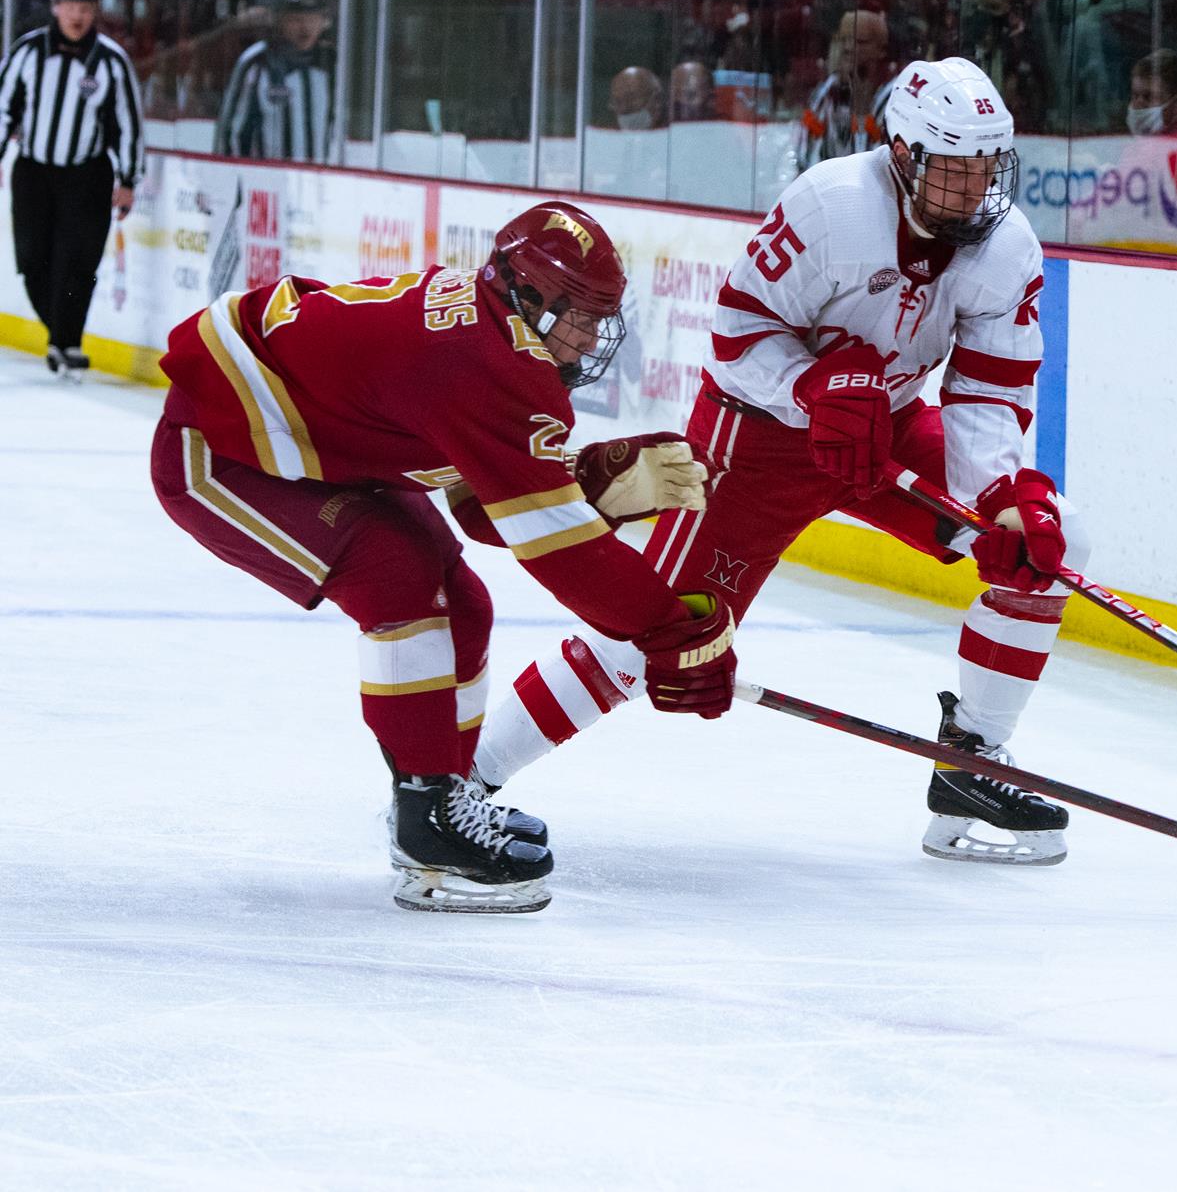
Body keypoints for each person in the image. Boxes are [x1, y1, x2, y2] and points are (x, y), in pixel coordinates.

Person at [471, 58, 1087, 867]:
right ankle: (454, 785)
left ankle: (971, 764)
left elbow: (988, 394)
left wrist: (999, 498)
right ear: (903, 154)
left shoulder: (1006, 249)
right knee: (648, 632)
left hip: (890, 432)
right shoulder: (831, 205)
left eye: (986, 169)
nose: (974, 192)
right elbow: (733, 340)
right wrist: (811, 388)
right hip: (756, 439)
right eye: (953, 171)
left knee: (1053, 545)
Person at [148, 202, 737, 913]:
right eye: (578, 313)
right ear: (530, 296)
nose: (589, 337)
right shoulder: (489, 363)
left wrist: (594, 483)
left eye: (598, 316)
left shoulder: (488, 332)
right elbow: (560, 554)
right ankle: (428, 827)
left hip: (297, 451)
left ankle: (443, 799)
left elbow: (479, 508)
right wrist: (668, 626)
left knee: (461, 599)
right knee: (397, 579)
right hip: (216, 451)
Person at [0, 0, 144, 379]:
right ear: (55, 7)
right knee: (32, 258)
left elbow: (127, 122)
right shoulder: (27, 52)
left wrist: (129, 179)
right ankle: (59, 331)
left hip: (88, 175)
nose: (77, 16)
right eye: (70, 6)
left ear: (94, 11)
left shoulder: (112, 61)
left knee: (78, 260)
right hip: (33, 172)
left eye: (85, 7)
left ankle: (69, 342)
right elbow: (3, 107)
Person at [215, 0, 334, 162]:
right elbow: (232, 134)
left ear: (323, 21)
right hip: (266, 183)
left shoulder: (332, 63)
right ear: (280, 21)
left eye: (312, 18)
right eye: (295, 19)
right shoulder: (257, 62)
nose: (305, 27)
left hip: (321, 182)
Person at [793, 9, 892, 171]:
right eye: (843, 40)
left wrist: (863, 113)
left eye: (859, 41)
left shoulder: (893, 97)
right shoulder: (828, 91)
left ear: (881, 50)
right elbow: (804, 151)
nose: (848, 48)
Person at [608, 65, 666, 130]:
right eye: (618, 102)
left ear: (656, 100)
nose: (624, 108)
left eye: (630, 99)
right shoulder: (609, 137)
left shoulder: (675, 133)